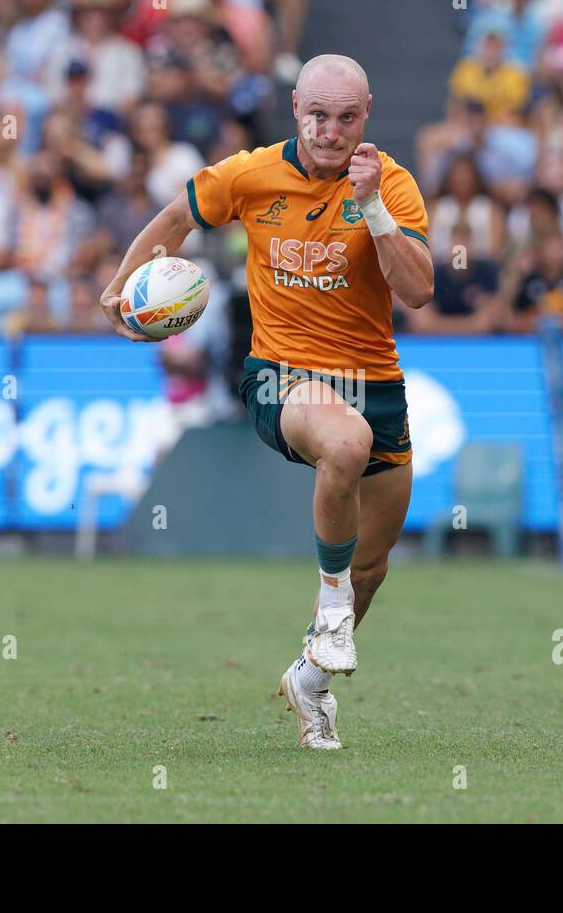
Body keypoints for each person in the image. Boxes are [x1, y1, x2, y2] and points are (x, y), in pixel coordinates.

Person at [99, 54, 432, 750]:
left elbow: (419, 288)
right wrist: (122, 286)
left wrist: (371, 208)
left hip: (374, 384)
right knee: (343, 444)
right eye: (318, 114)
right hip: (280, 375)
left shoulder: (390, 183)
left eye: (346, 117)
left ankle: (310, 677)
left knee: (372, 566)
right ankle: (331, 608)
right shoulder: (249, 175)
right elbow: (172, 221)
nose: (331, 131)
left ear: (366, 113)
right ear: (295, 109)